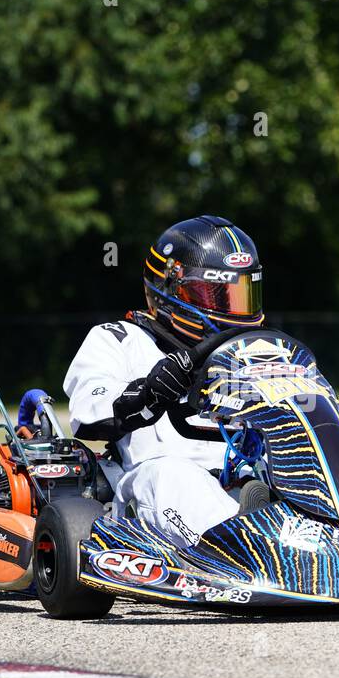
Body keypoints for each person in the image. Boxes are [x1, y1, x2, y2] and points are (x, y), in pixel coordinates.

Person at [62, 215, 265, 547]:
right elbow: (87, 413)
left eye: (241, 295)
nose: (233, 310)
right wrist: (148, 394)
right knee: (173, 475)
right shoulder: (119, 339)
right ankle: (247, 545)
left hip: (244, 480)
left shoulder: (256, 354)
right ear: (172, 291)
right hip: (149, 492)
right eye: (218, 296)